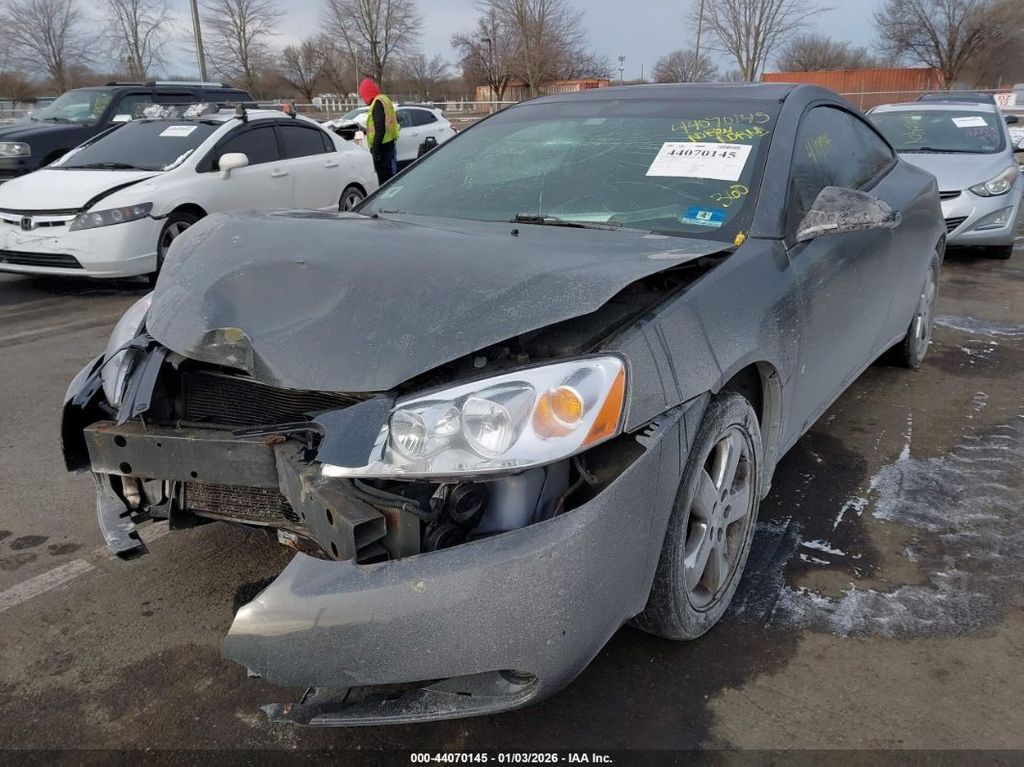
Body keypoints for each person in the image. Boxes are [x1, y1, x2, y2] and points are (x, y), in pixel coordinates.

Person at [358, 78, 400, 184]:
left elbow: (379, 129)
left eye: (363, 96)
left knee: (383, 179)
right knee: (390, 175)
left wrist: (375, 151)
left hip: (382, 147)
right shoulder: (384, 99)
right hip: (389, 142)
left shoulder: (377, 104)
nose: (363, 99)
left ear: (367, 94)